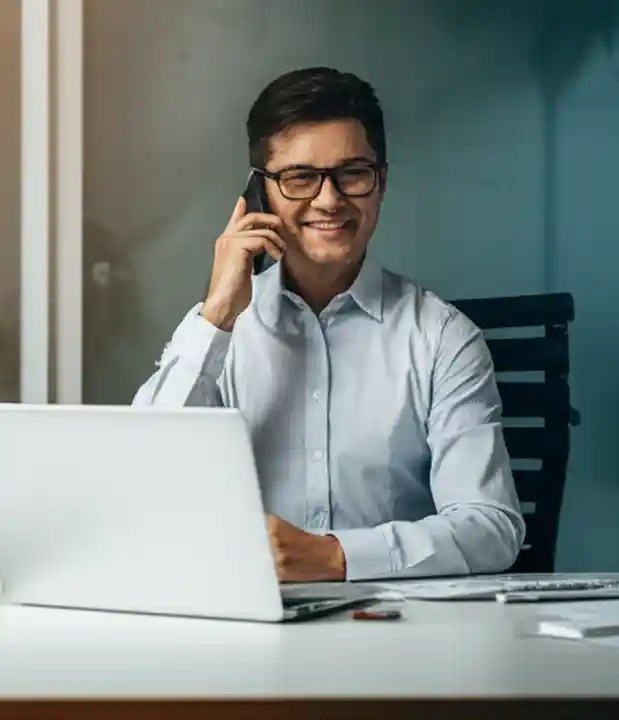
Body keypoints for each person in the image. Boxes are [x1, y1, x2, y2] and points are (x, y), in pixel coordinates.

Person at [133, 67, 524, 582]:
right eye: (300, 178)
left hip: (400, 633)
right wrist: (219, 310)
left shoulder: (442, 337)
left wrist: (337, 557)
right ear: (260, 192)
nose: (329, 200)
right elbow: (144, 480)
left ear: (381, 181)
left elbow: (491, 527)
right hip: (246, 625)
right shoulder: (219, 332)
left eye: (353, 173)